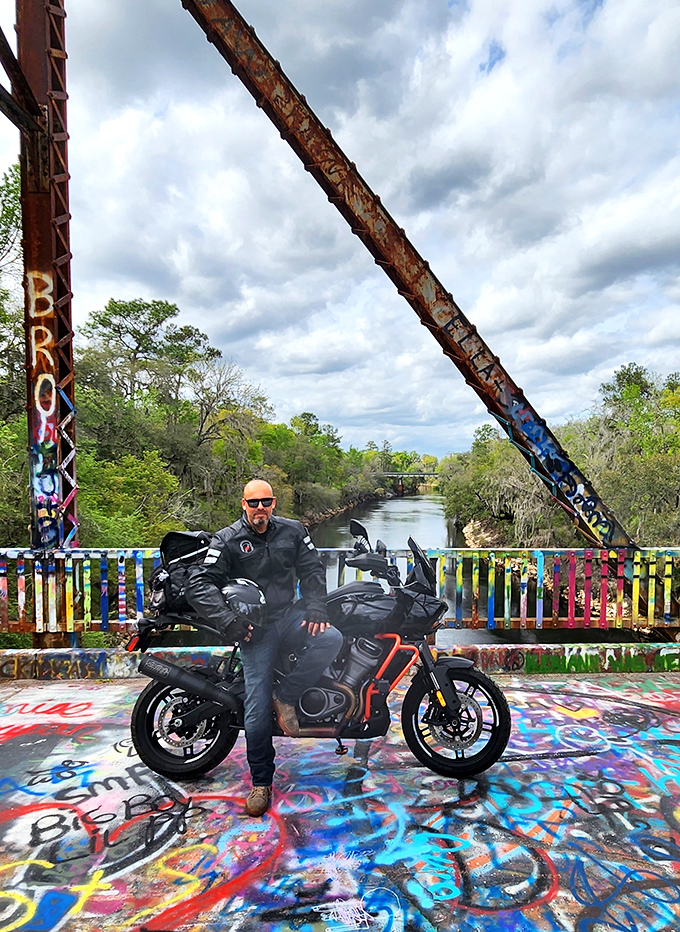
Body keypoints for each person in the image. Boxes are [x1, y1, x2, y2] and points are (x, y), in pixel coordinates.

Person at [185, 478, 343, 817]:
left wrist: (316, 607)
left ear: (273, 504)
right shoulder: (227, 540)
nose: (260, 508)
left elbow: (312, 570)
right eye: (254, 503)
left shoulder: (293, 531)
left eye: (266, 502)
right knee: (255, 705)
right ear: (243, 504)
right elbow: (199, 584)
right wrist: (229, 621)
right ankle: (261, 782)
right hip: (255, 629)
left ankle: (286, 695)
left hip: (290, 615)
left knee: (331, 637)